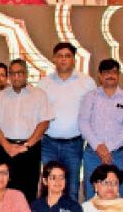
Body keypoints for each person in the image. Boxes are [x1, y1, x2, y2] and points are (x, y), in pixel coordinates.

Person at [0, 59, 52, 205]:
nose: (16, 77)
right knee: (3, 190)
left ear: (26, 74)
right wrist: (7, 146)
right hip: (5, 150)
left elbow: (44, 122)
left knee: (28, 192)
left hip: (30, 149)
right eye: (13, 73)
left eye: (19, 73)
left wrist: (27, 145)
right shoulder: (0, 96)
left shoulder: (39, 95)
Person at [39, 43, 95, 199]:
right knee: (49, 187)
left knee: (71, 187)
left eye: (67, 56)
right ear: (54, 59)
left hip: (74, 144)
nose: (63, 60)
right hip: (48, 144)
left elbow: (93, 113)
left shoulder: (86, 82)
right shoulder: (44, 83)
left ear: (74, 60)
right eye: (60, 56)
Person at [79, 59, 123, 200]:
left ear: (118, 75)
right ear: (99, 75)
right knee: (92, 194)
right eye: (106, 72)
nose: (110, 75)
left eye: (114, 72)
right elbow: (83, 122)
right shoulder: (90, 97)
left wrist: (108, 148)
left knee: (118, 194)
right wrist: (99, 147)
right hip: (93, 154)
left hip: (117, 155)